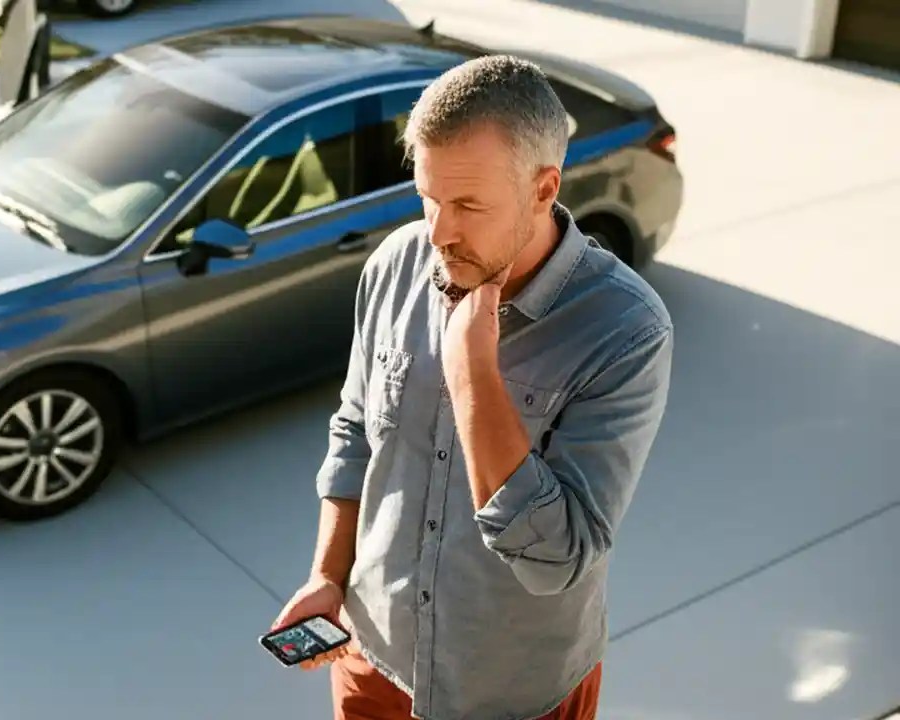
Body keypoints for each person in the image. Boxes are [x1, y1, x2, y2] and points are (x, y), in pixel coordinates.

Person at [271, 55, 674, 720]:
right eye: (428, 197)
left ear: (544, 188)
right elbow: (354, 434)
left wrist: (473, 377)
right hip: (373, 664)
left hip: (516, 694)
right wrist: (328, 576)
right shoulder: (396, 264)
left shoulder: (626, 330)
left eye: (466, 205)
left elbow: (556, 559)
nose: (438, 231)